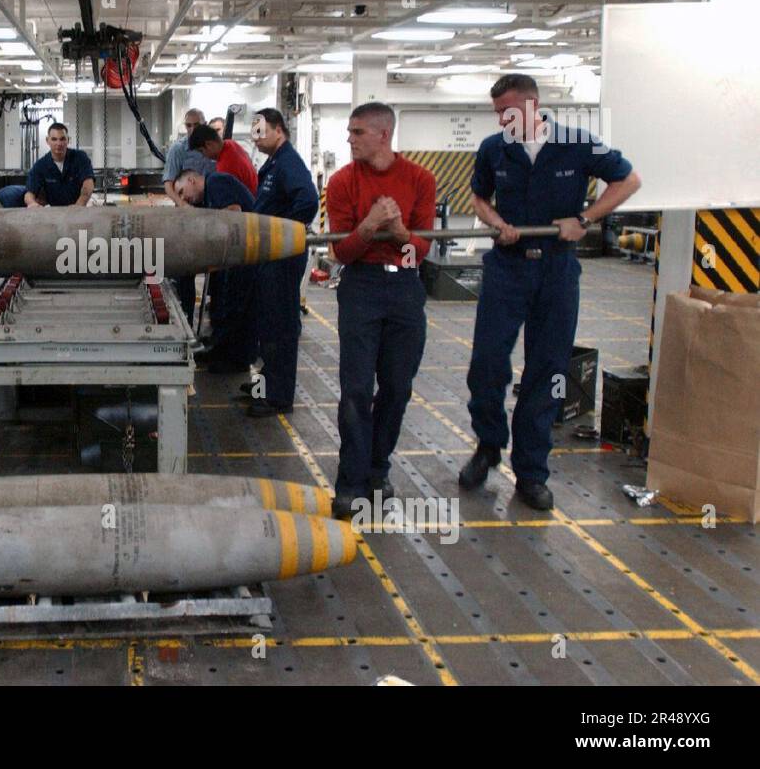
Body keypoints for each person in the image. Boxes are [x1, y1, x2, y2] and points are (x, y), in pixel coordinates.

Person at [460, 74, 641, 510]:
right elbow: (479, 198)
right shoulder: (493, 148)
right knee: (486, 363)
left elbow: (629, 180)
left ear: (533, 105)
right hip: (507, 269)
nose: (502, 120)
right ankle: (488, 445)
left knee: (547, 371)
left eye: (508, 111)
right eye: (497, 113)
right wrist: (495, 223)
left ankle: (531, 471)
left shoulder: (578, 144)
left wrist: (585, 219)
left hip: (556, 271)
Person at [325, 103, 436, 519]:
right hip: (361, 287)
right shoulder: (342, 182)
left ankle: (377, 468)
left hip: (405, 286)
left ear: (383, 135)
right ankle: (350, 482)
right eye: (350, 131)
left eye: (357, 132)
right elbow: (342, 253)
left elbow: (419, 252)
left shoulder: (420, 179)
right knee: (356, 389)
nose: (349, 139)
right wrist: (370, 225)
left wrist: (401, 231)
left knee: (397, 387)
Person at [243, 107, 318, 417]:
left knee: (280, 327)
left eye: (260, 131)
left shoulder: (289, 163)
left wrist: (283, 234)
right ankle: (264, 386)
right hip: (269, 256)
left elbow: (308, 201)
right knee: (267, 325)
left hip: (282, 257)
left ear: (278, 130)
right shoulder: (274, 162)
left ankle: (278, 396)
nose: (256, 138)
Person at [175, 168, 257, 373]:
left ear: (192, 180)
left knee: (237, 307)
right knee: (223, 306)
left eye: (182, 192)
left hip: (247, 253)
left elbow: (234, 213)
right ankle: (220, 350)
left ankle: (238, 360)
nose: (183, 198)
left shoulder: (217, 183)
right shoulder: (209, 193)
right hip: (234, 256)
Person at [162, 109, 215, 328]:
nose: (192, 130)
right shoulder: (178, 150)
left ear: (205, 124)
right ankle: (187, 323)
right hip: (187, 217)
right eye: (188, 126)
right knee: (186, 273)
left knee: (217, 272)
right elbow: (168, 184)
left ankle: (216, 322)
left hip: (212, 214)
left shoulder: (212, 149)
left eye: (196, 125)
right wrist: (183, 205)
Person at [24, 122, 94, 207]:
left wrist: (79, 204)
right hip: (54, 211)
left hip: (78, 207)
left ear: (68, 140)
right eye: (54, 139)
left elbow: (88, 183)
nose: (59, 144)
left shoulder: (80, 158)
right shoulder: (40, 165)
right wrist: (32, 203)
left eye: (62, 139)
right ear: (47, 140)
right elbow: (29, 193)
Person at [187, 123, 258, 194]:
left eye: (201, 151)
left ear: (209, 144)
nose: (203, 155)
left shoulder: (225, 167)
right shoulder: (231, 143)